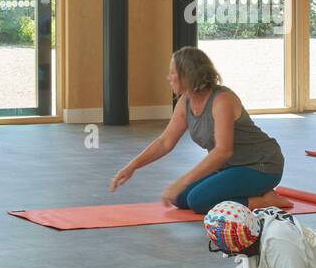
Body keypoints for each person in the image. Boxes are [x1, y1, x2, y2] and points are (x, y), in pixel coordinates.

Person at [109, 46, 287, 212]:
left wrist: (181, 181)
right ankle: (255, 192)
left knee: (198, 201)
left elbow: (223, 151)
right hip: (230, 168)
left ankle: (264, 201)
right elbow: (165, 142)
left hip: (261, 165)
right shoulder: (185, 101)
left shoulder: (222, 100)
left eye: (172, 72)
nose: (168, 77)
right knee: (179, 198)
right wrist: (132, 167)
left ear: (188, 75)